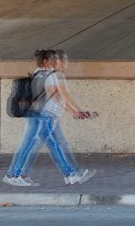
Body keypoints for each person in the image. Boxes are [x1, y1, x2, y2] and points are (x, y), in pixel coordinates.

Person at [5, 47, 95, 187]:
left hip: (39, 114)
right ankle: (13, 175)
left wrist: (73, 111)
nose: (56, 61)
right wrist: (74, 112)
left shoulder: (36, 73)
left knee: (54, 145)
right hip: (41, 115)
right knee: (29, 144)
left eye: (57, 59)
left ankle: (70, 174)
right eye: (54, 59)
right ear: (46, 61)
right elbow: (58, 96)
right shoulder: (50, 75)